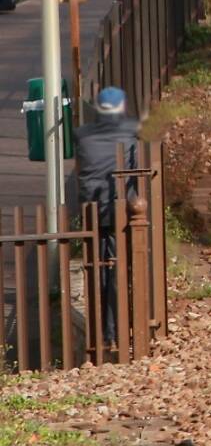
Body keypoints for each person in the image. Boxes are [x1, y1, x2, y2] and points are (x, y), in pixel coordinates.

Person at [73, 87, 140, 354]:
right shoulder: (132, 131)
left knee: (98, 271)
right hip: (122, 210)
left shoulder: (82, 135)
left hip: (92, 212)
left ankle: (103, 333)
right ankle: (117, 332)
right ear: (122, 108)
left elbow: (80, 167)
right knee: (119, 270)